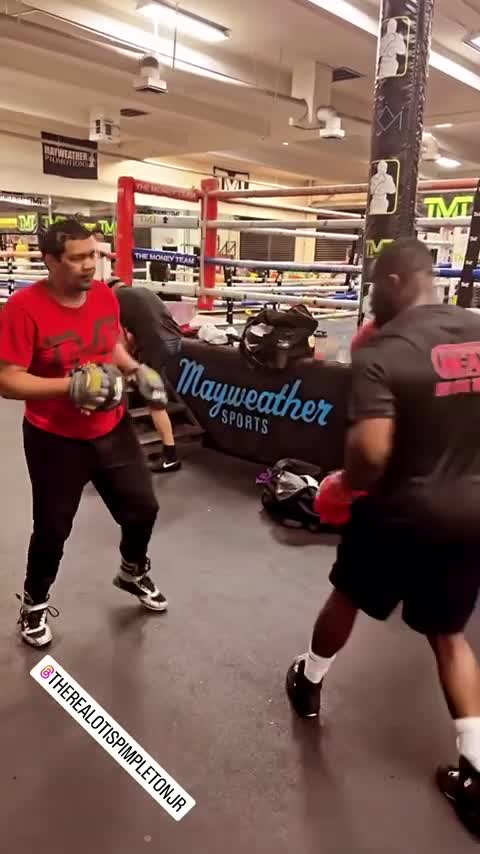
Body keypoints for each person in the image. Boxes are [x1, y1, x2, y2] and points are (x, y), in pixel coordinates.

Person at [286, 237, 480, 837]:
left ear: (396, 280)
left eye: (374, 283)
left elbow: (371, 452)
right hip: (470, 514)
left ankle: (308, 680)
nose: (370, 296)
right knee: (449, 635)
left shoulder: (384, 352)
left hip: (397, 512)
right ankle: (477, 769)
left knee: (345, 596)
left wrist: (344, 485)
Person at [0, 219, 169, 648]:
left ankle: (132, 571)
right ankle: (34, 602)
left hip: (112, 427)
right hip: (54, 438)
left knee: (143, 509)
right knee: (53, 528)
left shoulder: (103, 296)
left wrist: (134, 368)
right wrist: (69, 386)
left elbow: (110, 339)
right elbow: (8, 380)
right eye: (78, 258)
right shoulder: (23, 308)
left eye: (94, 254)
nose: (90, 265)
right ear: (51, 260)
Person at [109, 278, 183, 473]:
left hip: (156, 344)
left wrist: (126, 369)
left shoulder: (113, 299)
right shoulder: (144, 292)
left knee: (154, 403)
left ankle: (170, 457)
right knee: (152, 384)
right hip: (176, 340)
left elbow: (122, 341)